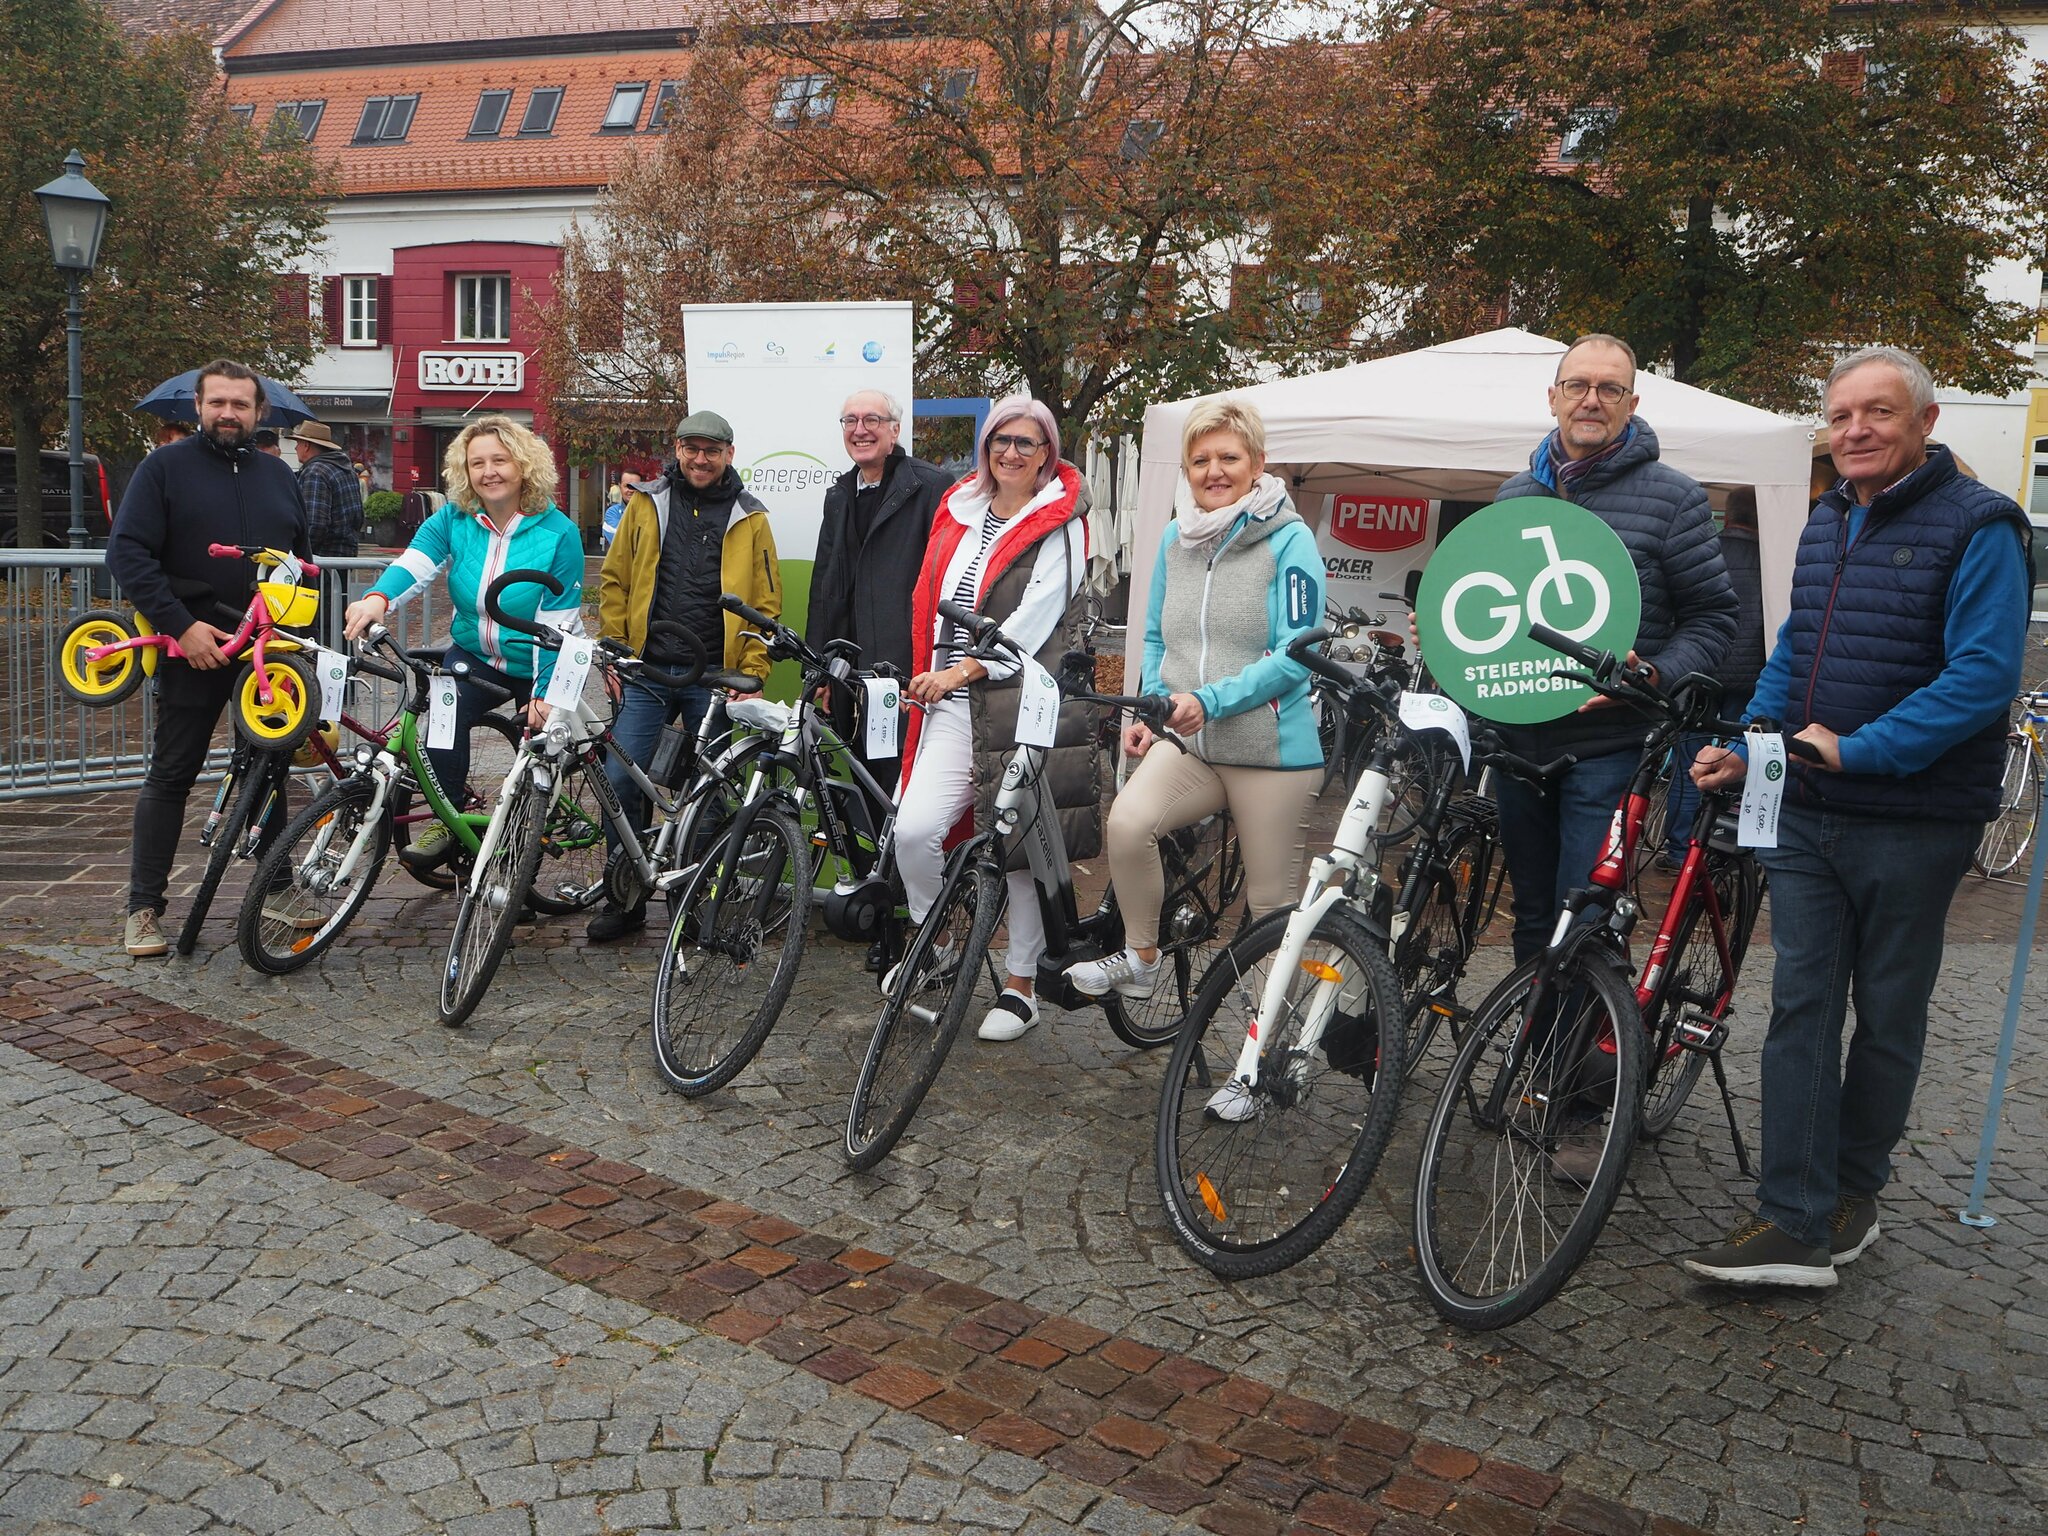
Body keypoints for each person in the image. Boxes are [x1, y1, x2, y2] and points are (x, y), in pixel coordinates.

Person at [1681, 346, 2030, 1289]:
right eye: (1840, 417)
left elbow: (1983, 677)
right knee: (1799, 1005)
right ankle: (1792, 1217)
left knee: (1885, 1015)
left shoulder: (1982, 525)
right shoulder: (1830, 519)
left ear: (1926, 424)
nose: (1856, 431)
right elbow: (1796, 649)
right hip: (1809, 808)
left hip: (1915, 819)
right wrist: (1757, 742)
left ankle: (1854, 1190)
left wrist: (1859, 746)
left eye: (1878, 413)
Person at [1065, 397, 1326, 1004]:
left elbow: (1299, 652)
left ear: (1257, 463)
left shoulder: (1289, 541)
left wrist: (1210, 700)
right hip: (1194, 746)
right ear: (1186, 470)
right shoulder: (1175, 540)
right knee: (1128, 824)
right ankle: (1142, 955)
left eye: (1229, 457)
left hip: (1272, 753)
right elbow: (1156, 636)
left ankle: (1263, 1065)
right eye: (1200, 459)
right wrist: (1152, 711)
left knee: (1269, 913)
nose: (1214, 471)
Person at [1490, 334, 1738, 962]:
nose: (1591, 400)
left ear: (1632, 403)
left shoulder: (1675, 498)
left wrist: (1653, 676)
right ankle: (1534, 1053)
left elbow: (1713, 619)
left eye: (1610, 389)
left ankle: (1586, 1055)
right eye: (1578, 386)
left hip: (1609, 748)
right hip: (1520, 744)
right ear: (1554, 397)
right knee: (1533, 915)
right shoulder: (1515, 496)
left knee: (1585, 916)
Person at [893, 396, 1097, 1042]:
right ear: (986, 447)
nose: (1011, 452)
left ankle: (1021, 985)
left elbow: (1032, 622)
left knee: (1019, 851)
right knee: (914, 830)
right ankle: (940, 937)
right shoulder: (960, 510)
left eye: (1026, 443)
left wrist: (960, 670)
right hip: (951, 703)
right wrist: (928, 674)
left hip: (1020, 705)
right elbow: (932, 602)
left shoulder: (1063, 523)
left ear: (1048, 455)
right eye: (1000, 440)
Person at [109, 358, 308, 958]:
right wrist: (181, 625)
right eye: (217, 402)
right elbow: (128, 554)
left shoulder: (281, 477)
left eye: (240, 405)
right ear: (198, 407)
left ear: (259, 413)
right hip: (190, 645)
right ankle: (143, 909)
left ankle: (278, 889)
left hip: (266, 654)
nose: (228, 413)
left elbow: (299, 565)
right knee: (172, 774)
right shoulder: (163, 467)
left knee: (271, 770)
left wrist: (303, 648)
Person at [341, 415, 583, 874]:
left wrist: (547, 696)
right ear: (465, 471)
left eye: (500, 460)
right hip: (476, 654)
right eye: (477, 463)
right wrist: (377, 599)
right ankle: (449, 821)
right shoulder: (454, 518)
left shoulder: (559, 532)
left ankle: (516, 863)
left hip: (540, 660)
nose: (489, 471)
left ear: (524, 466)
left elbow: (560, 625)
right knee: (442, 722)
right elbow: (415, 563)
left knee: (537, 761)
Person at [586, 409, 781, 942]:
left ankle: (690, 904)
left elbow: (766, 602)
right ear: (677, 450)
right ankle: (624, 896)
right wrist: (616, 652)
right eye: (692, 448)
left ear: (729, 456)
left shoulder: (750, 515)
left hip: (713, 676)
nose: (701, 458)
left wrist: (752, 671)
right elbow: (615, 579)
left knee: (707, 793)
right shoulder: (647, 503)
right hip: (646, 669)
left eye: (711, 450)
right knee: (622, 780)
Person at [807, 388, 953, 799]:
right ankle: (871, 865)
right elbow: (824, 586)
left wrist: (929, 667)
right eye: (850, 421)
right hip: (850, 677)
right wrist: (821, 667)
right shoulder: (838, 495)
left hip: (907, 678)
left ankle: (902, 867)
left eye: (871, 420)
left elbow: (948, 583)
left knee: (903, 793)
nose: (860, 430)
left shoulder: (931, 487)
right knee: (863, 789)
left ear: (894, 430)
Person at [1660, 487, 1767, 867]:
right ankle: (1725, 848)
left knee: (1690, 761)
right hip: (1749, 675)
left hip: (1700, 671)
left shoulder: (1705, 553)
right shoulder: (1772, 558)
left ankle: (1678, 850)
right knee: (1739, 760)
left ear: (1728, 513)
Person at [291, 420, 365, 559]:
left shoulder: (315, 472)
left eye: (298, 443)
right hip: (345, 557)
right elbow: (358, 517)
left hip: (322, 559)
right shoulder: (345, 469)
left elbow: (314, 524)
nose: (296, 448)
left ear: (306, 445)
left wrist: (300, 556)